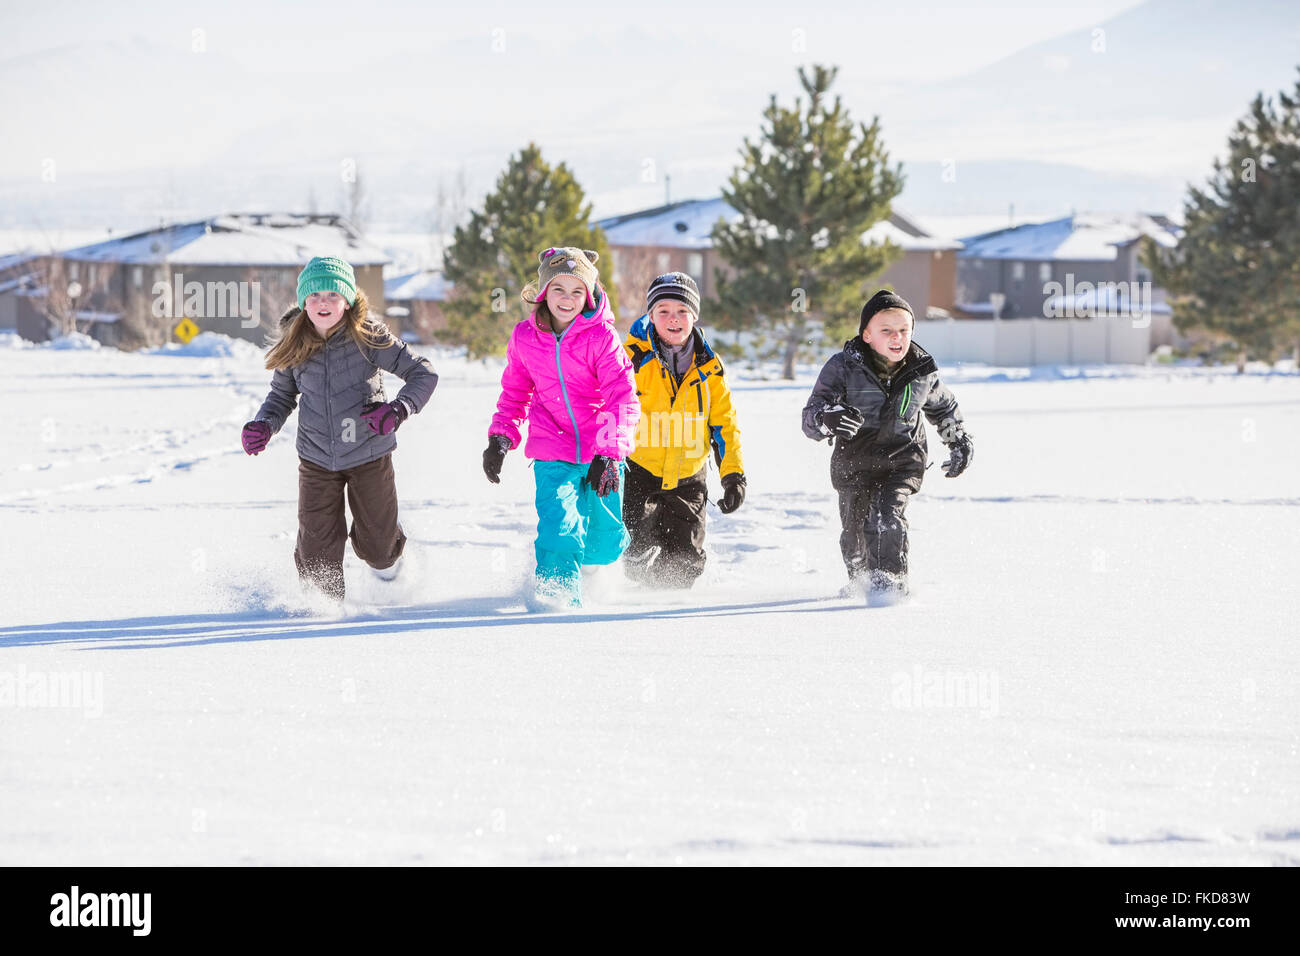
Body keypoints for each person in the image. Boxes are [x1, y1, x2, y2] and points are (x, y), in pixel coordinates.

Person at [241, 256, 437, 601]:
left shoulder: (368, 336)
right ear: (304, 302)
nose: (323, 302)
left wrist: (398, 409)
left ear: (347, 300)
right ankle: (322, 612)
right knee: (316, 548)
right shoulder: (295, 341)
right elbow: (281, 396)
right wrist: (264, 424)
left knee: (379, 549)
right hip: (317, 458)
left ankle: (391, 564)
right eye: (314, 295)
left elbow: (422, 373)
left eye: (333, 294)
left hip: (368, 453)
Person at [481, 247, 639, 609]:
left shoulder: (602, 338)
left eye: (576, 291)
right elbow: (515, 391)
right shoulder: (524, 338)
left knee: (605, 541)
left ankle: (590, 570)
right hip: (552, 445)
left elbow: (624, 396)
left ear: (589, 295)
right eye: (558, 289)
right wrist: (500, 438)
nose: (567, 299)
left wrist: (610, 452)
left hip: (602, 449)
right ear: (543, 292)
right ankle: (557, 597)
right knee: (560, 526)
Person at [801, 289, 973, 602]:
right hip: (855, 461)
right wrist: (828, 419)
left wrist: (957, 439)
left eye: (904, 331)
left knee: (887, 516)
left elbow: (943, 408)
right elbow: (810, 417)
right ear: (867, 335)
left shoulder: (921, 371)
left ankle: (889, 587)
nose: (898, 338)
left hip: (903, 459)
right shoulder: (843, 367)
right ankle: (860, 582)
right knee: (855, 533)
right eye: (887, 331)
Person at [620, 272, 745, 588]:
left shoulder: (709, 368)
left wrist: (732, 475)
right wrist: (602, 458)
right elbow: (611, 411)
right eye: (663, 311)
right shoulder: (631, 360)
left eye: (681, 311)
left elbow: (724, 424)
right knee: (634, 550)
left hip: (689, 477)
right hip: (639, 471)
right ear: (650, 316)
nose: (672, 319)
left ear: (694, 316)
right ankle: (629, 598)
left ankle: (664, 605)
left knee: (686, 560)